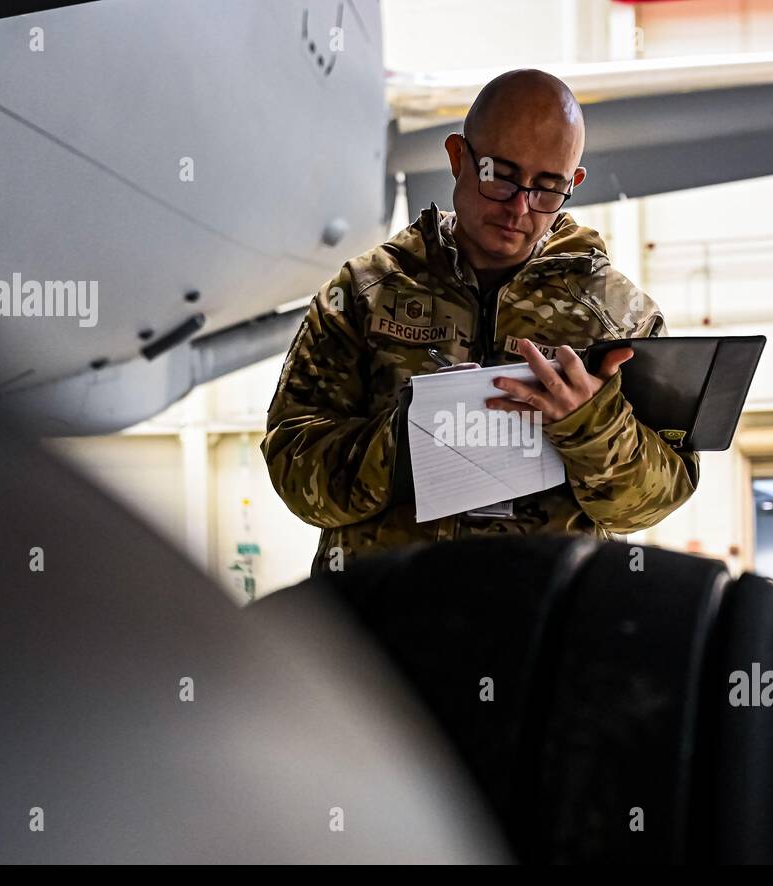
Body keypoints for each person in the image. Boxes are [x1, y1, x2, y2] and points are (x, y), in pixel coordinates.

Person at [261, 69, 699, 575]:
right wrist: (412, 442)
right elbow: (295, 470)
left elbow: (655, 500)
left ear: (573, 183)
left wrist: (589, 426)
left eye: (547, 188)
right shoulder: (363, 295)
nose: (519, 206)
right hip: (382, 626)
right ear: (457, 158)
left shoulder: (618, 318)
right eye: (501, 175)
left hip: (539, 630)